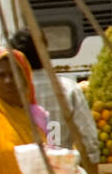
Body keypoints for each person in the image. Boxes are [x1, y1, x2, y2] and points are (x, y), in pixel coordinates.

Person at [9, 29, 100, 160]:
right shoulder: (68, 89)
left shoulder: (10, 94)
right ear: (44, 51)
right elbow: (89, 140)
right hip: (63, 172)